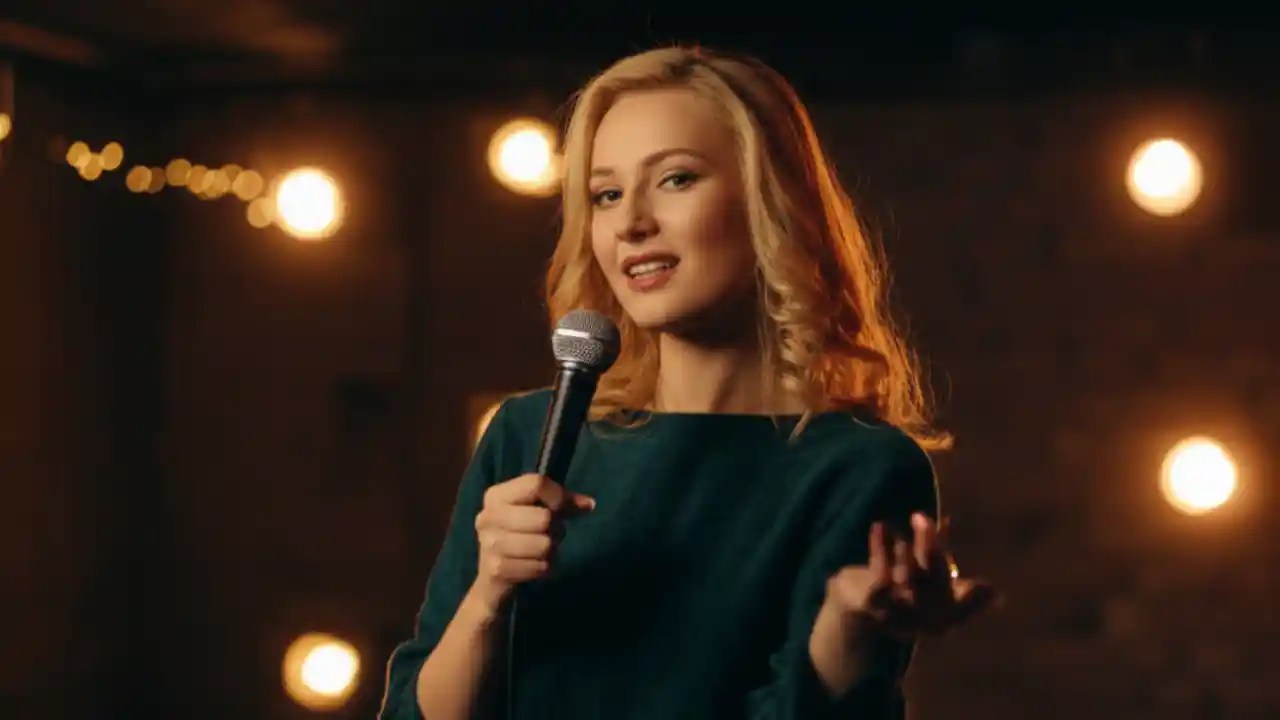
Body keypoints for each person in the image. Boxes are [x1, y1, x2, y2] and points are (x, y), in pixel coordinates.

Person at [378, 45, 997, 720]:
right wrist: (488, 597)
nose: (632, 223)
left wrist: (846, 635)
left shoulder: (856, 466)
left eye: (675, 179)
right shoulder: (526, 435)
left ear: (770, 202)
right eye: (607, 195)